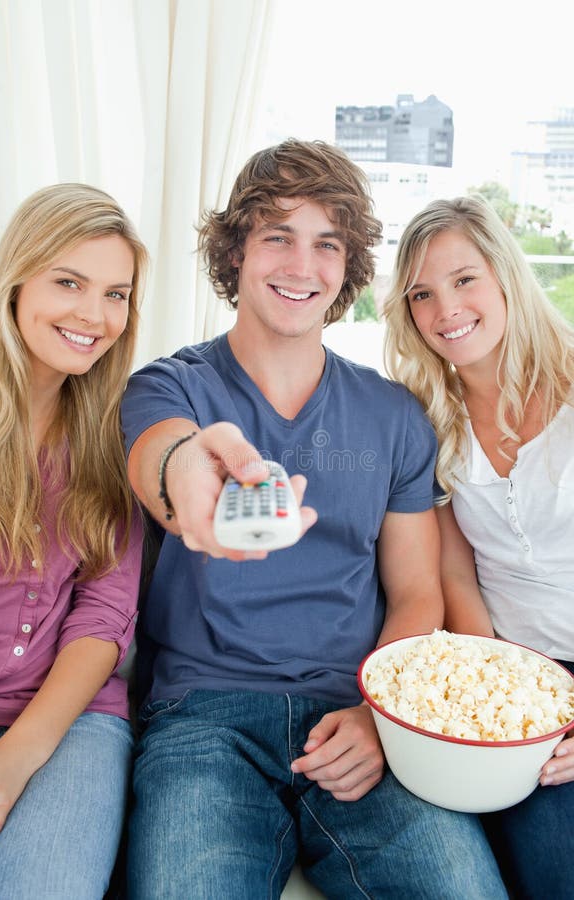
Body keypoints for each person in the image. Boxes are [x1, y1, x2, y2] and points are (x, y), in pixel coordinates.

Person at [121, 140, 507, 900]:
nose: (302, 266)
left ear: (349, 267)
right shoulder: (170, 387)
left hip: (359, 718)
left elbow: (417, 594)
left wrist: (375, 715)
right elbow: (164, 462)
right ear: (234, 253)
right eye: (277, 237)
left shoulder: (396, 416)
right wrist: (190, 485)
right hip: (204, 720)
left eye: (326, 244)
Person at [384, 194, 574, 899]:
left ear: (504, 276)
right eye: (422, 294)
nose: (445, 310)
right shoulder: (428, 414)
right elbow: (456, 568)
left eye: (464, 280)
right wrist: (494, 696)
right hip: (513, 680)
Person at [0, 183, 148, 899]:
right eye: (69, 282)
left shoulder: (118, 431)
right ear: (16, 279)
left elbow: (105, 617)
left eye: (116, 293)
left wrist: (15, 757)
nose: (94, 315)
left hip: (71, 720)